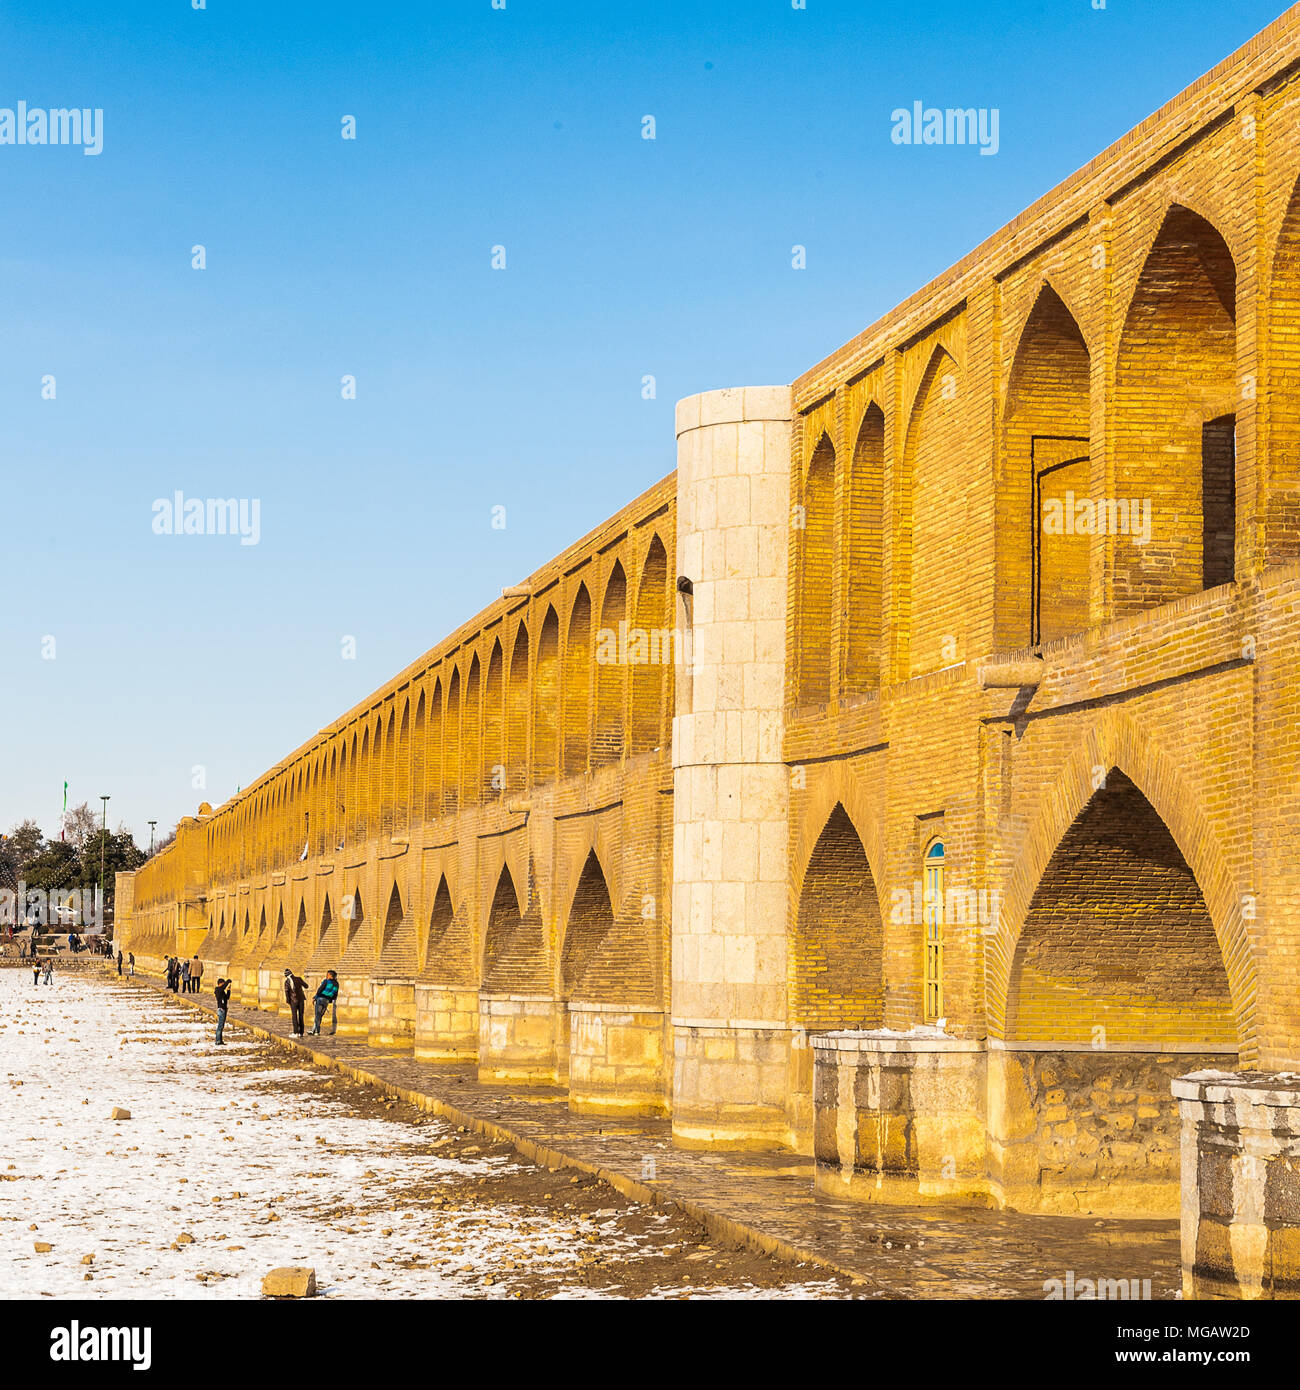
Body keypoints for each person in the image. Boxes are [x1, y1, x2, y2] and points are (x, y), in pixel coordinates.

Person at [311, 971, 339, 1036]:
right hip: (326, 1001)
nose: (326, 976)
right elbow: (335, 993)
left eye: (327, 975)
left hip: (320, 999)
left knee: (317, 1015)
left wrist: (315, 997)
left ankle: (317, 1031)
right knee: (320, 1015)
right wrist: (330, 1000)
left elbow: (320, 989)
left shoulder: (326, 981)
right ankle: (313, 1030)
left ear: (330, 975)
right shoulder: (336, 984)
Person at [283, 968, 308, 1036]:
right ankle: (301, 1032)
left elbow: (287, 992)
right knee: (301, 1016)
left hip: (293, 1001)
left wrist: (288, 1001)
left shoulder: (287, 982)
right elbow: (306, 986)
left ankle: (295, 1032)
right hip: (301, 1000)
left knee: (294, 1016)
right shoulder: (299, 979)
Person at [214, 977, 231, 1045]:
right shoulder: (218, 990)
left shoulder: (222, 991)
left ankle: (220, 1040)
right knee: (220, 1026)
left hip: (224, 1009)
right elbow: (223, 987)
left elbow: (227, 997)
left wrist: (229, 990)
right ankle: (218, 1041)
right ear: (220, 984)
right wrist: (228, 981)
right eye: (223, 984)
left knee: (221, 1026)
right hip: (221, 1010)